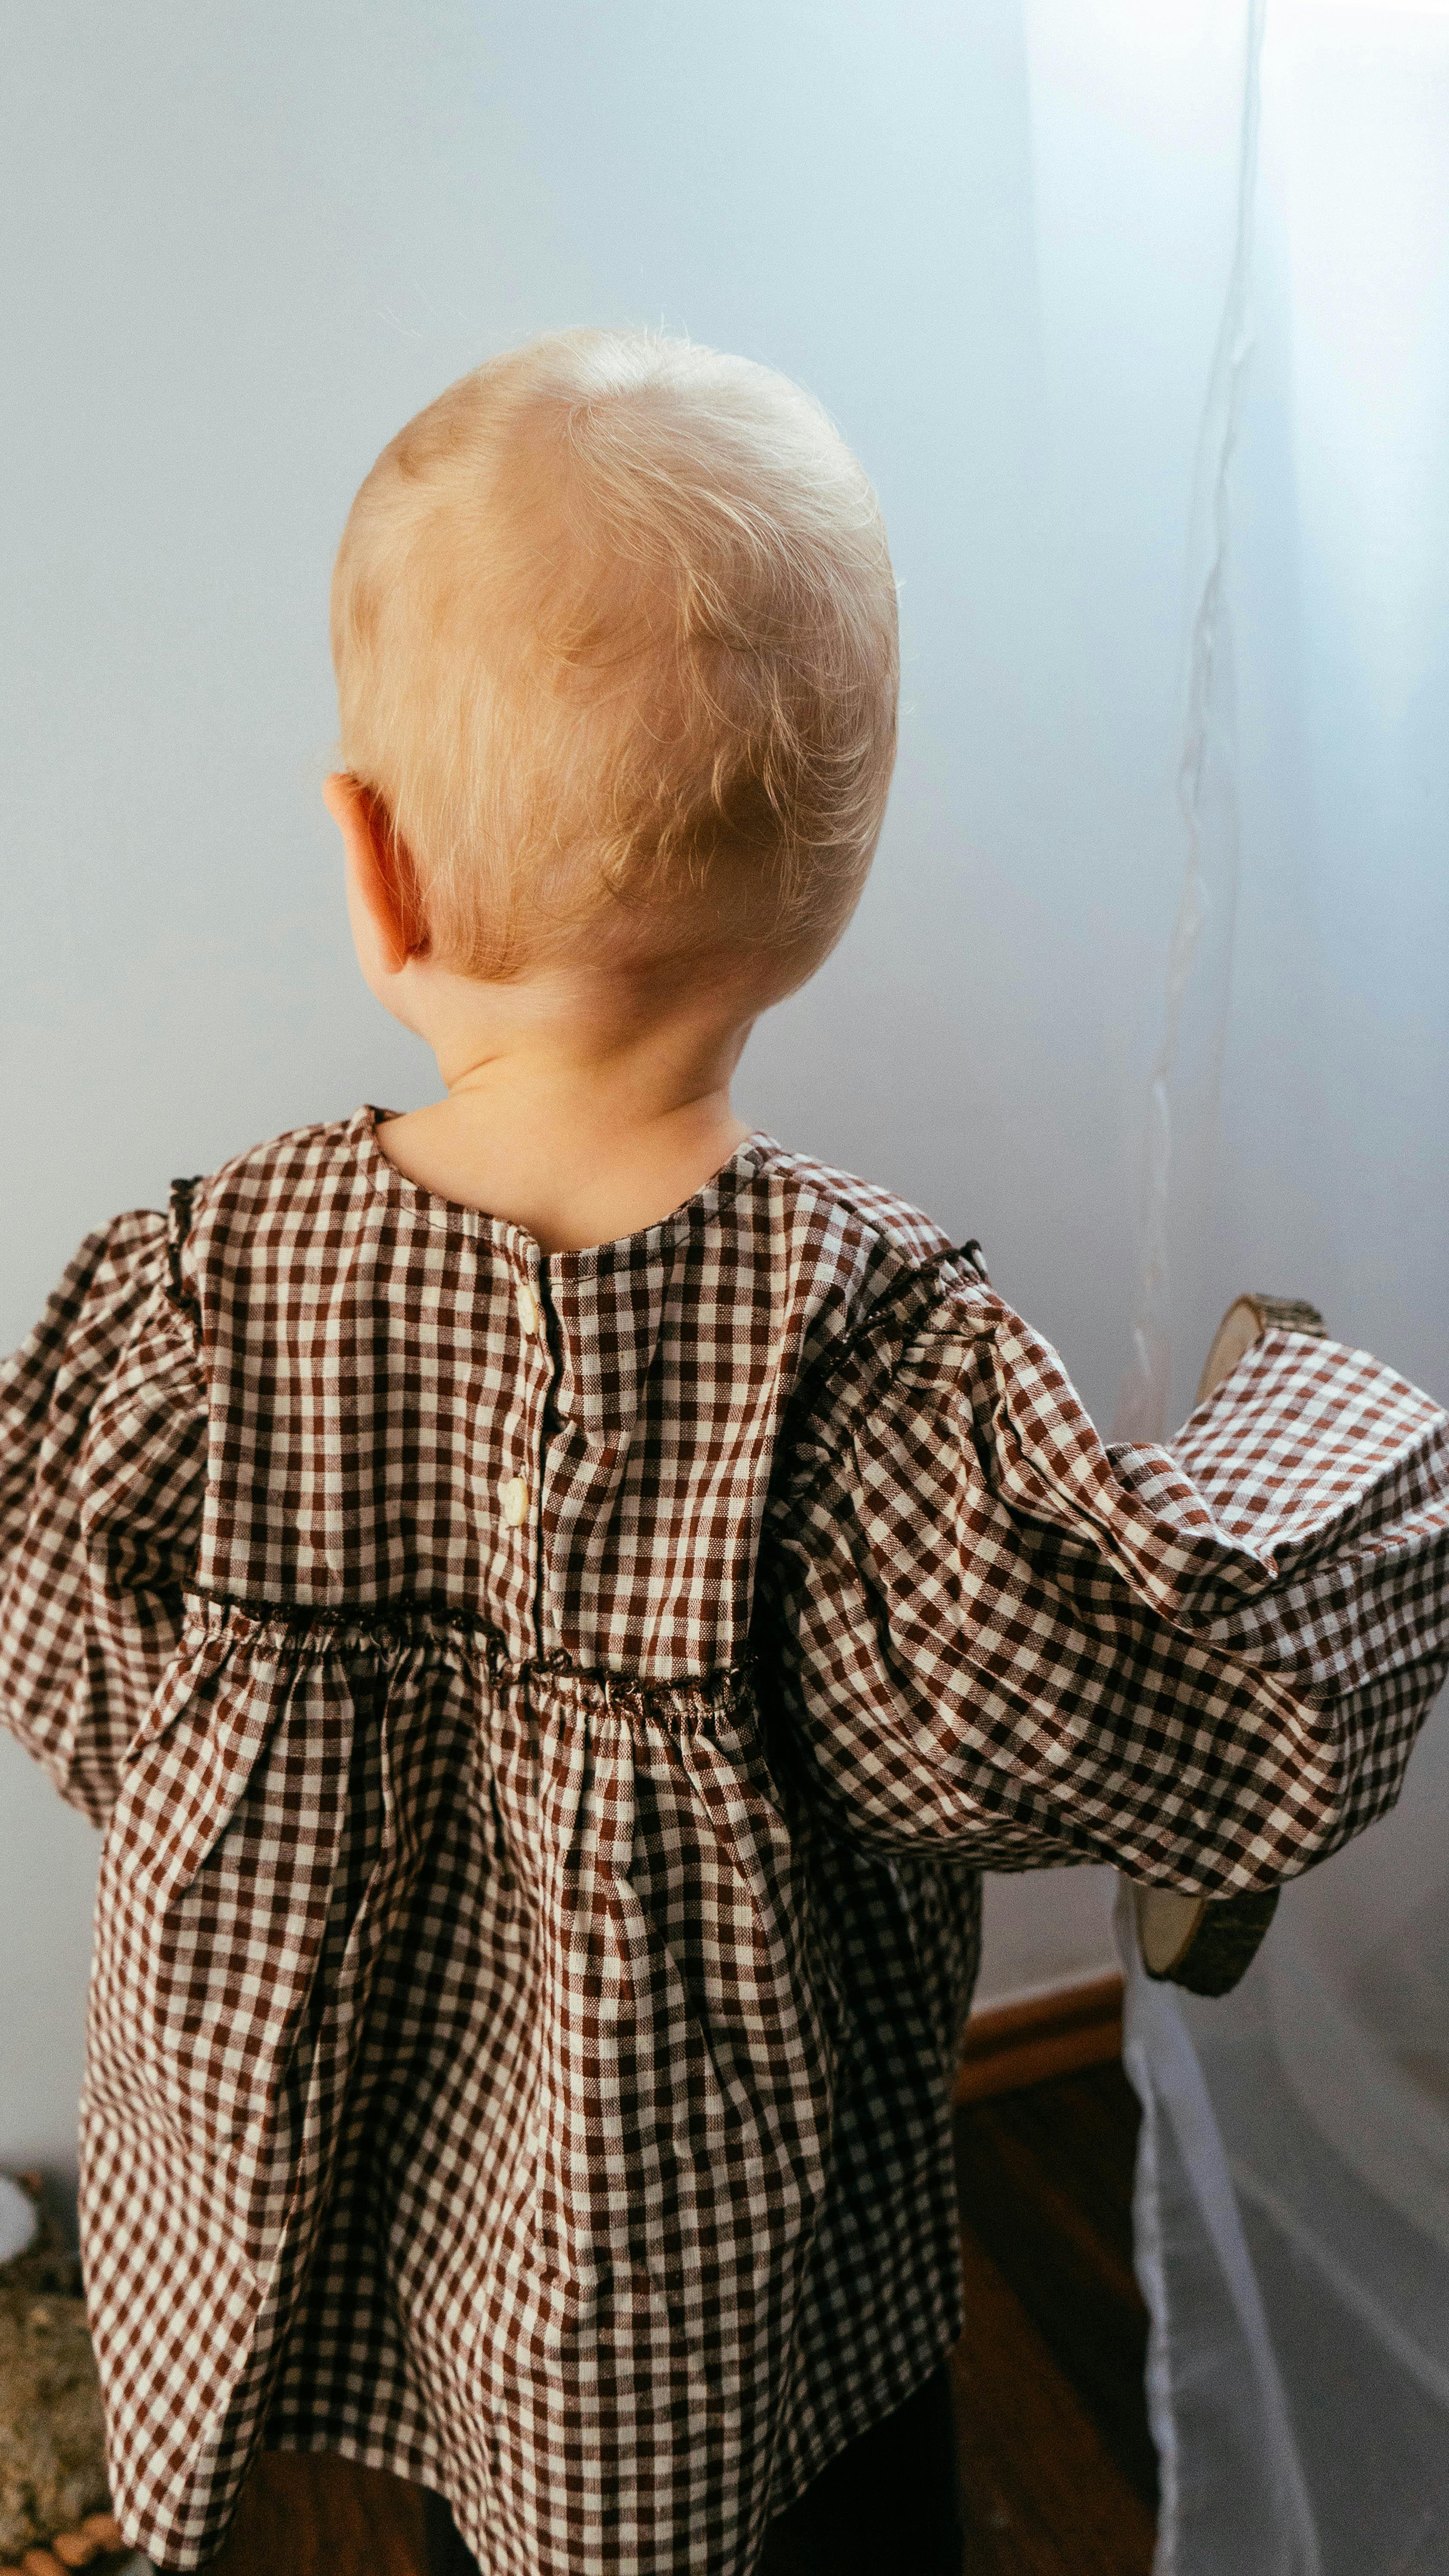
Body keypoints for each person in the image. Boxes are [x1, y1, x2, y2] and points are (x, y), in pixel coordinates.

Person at [2, 328, 1446, 2576]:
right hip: (687, 2315)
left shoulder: (192, 1302)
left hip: (307, 2202)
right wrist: (1333, 1437)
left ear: (371, 870)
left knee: (397, 2465)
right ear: (834, 883)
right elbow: (1120, 1707)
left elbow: (81, 1684)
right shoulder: (865, 1357)